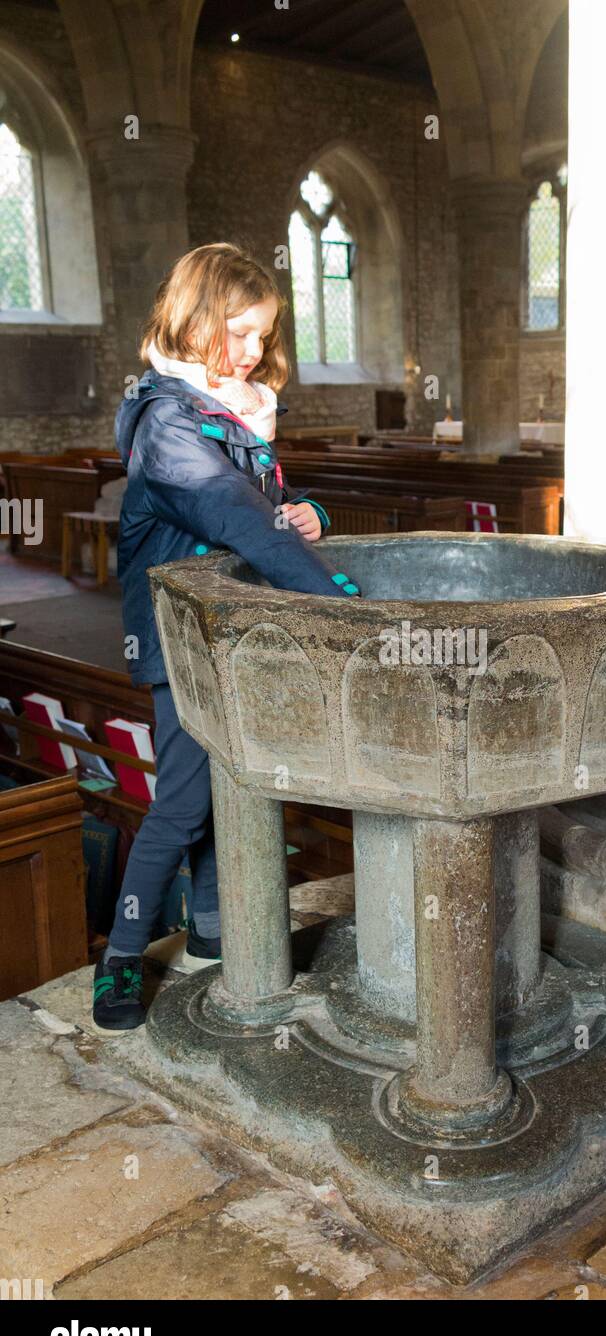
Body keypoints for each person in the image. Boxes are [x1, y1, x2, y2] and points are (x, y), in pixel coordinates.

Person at [93, 243, 359, 1032]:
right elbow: (236, 518)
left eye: (262, 335)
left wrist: (312, 511)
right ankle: (119, 962)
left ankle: (210, 925)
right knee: (178, 800)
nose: (254, 352)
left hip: (231, 628)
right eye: (239, 333)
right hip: (179, 636)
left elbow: (265, 504)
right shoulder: (167, 421)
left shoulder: (215, 409)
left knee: (232, 779)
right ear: (197, 318)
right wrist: (345, 604)